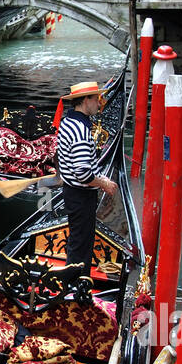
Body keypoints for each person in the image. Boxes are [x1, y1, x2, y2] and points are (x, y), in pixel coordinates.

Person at [56, 80, 118, 274]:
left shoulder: (68, 121)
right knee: (81, 246)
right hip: (80, 196)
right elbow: (83, 173)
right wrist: (104, 183)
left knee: (78, 241)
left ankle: (74, 285)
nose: (100, 103)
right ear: (85, 101)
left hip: (71, 192)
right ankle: (76, 289)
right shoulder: (81, 131)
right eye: (96, 99)